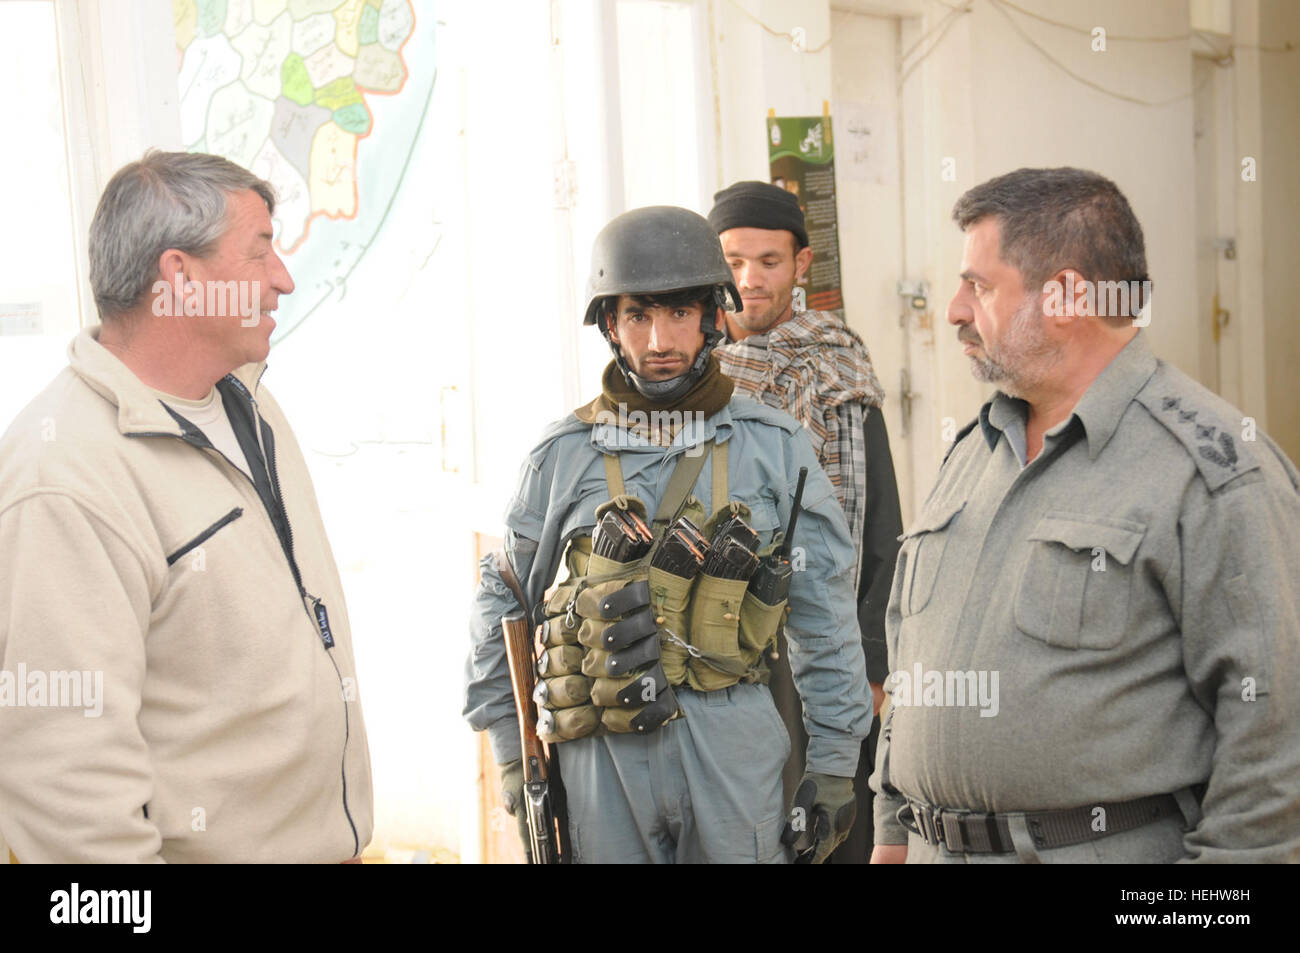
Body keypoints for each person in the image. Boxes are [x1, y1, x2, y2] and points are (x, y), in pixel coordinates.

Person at [869, 167, 1300, 863]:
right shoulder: (973, 450)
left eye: (977, 285)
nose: (952, 309)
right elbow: (912, 661)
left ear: (1067, 295)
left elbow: (1278, 733)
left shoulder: (1214, 470)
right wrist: (892, 833)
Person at [464, 205, 871, 864]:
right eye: (638, 315)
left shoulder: (775, 448)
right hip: (603, 760)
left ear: (712, 317)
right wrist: (515, 759)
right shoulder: (560, 457)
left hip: (732, 744)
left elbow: (824, 613)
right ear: (609, 324)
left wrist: (832, 763)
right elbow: (500, 606)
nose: (659, 339)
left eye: (679, 313)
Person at [0, 151, 373, 863]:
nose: (284, 279)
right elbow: (66, 797)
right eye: (261, 252)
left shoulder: (248, 404)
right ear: (180, 276)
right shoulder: (64, 479)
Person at [708, 180, 903, 861]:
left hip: (820, 639)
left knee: (827, 825)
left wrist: (873, 665)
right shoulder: (687, 375)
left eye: (767, 261)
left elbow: (880, 527)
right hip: (718, 646)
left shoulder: (837, 364)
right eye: (733, 260)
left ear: (801, 263)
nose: (748, 279)